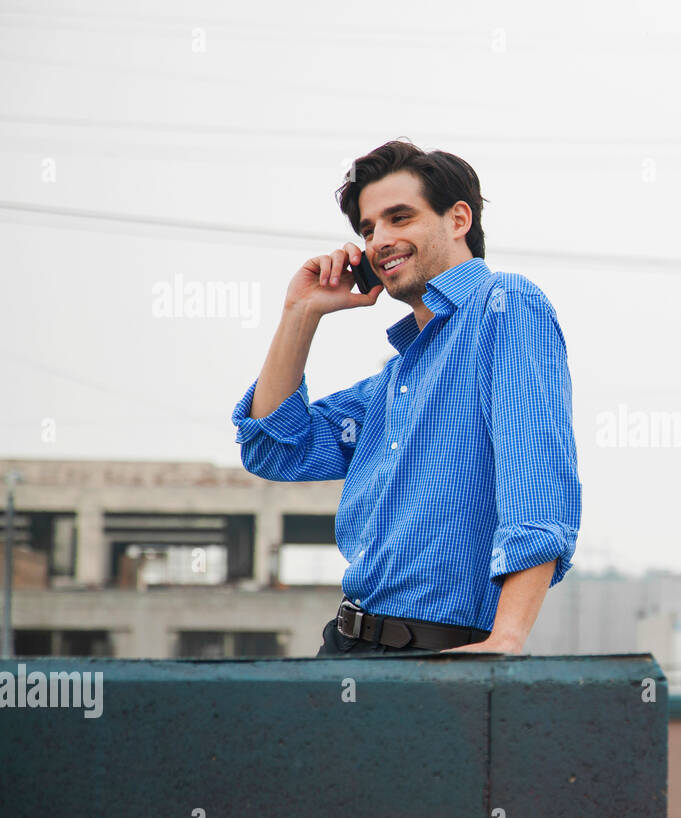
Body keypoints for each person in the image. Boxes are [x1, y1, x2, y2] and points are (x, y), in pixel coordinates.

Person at [230, 141, 581, 657]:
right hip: (347, 648)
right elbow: (274, 448)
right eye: (368, 229)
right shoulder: (396, 382)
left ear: (458, 219)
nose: (380, 241)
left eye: (400, 217)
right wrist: (300, 312)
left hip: (439, 653)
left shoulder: (506, 308)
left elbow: (537, 482)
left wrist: (505, 640)